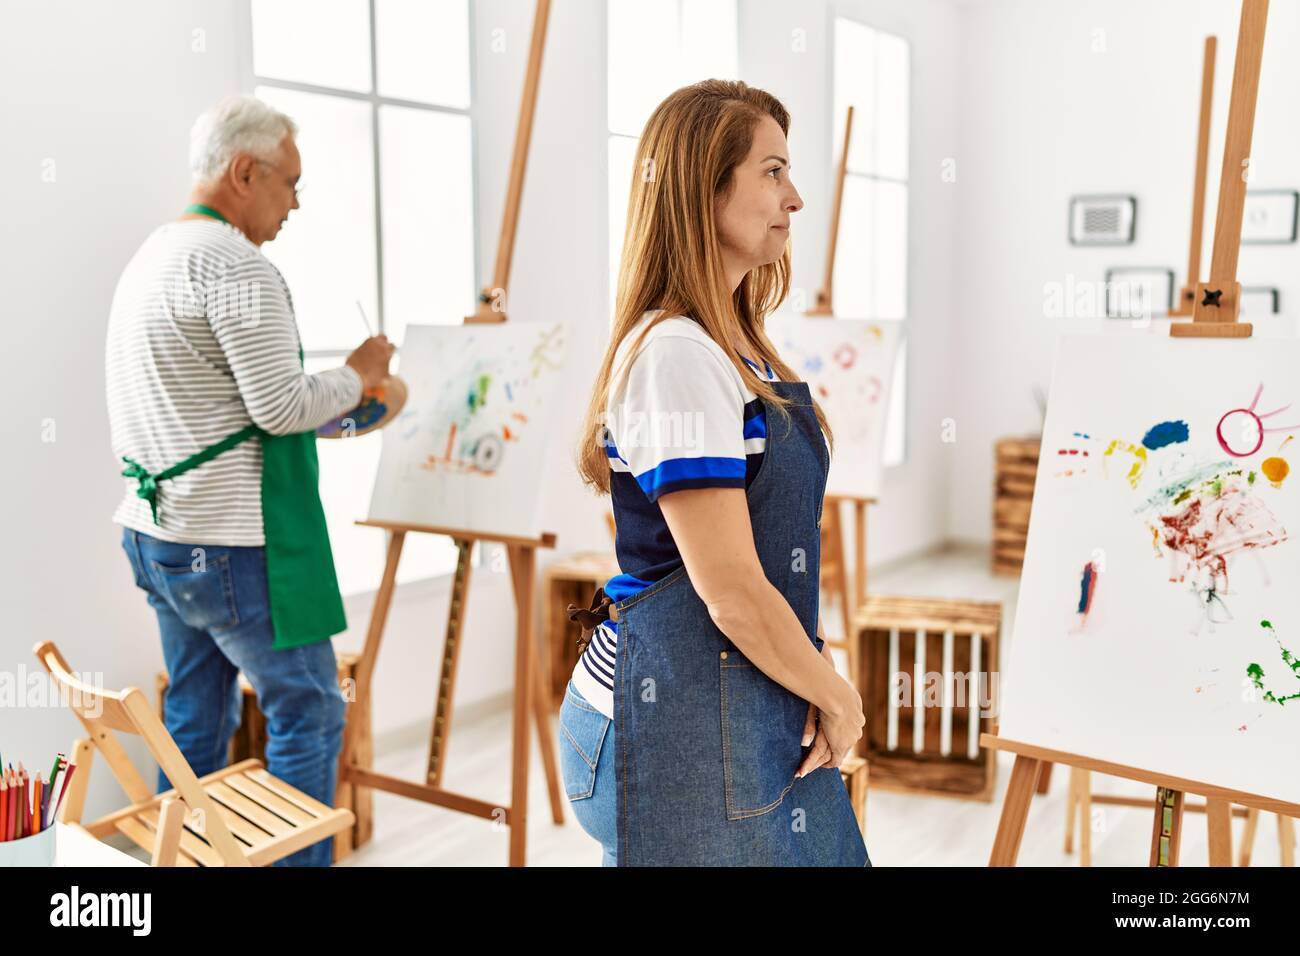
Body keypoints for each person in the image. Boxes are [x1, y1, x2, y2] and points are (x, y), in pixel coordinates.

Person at [561, 79, 870, 866]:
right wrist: (839, 696)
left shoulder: (733, 342)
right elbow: (731, 590)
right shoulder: (676, 354)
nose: (794, 199)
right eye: (772, 172)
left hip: (737, 699)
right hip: (670, 719)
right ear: (706, 188)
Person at [105, 94, 394, 866]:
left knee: (197, 715)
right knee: (308, 708)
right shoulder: (236, 264)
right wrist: (361, 377)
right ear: (244, 172)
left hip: (155, 535)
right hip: (229, 545)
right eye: (290, 183)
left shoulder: (152, 256)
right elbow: (281, 405)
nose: (296, 203)